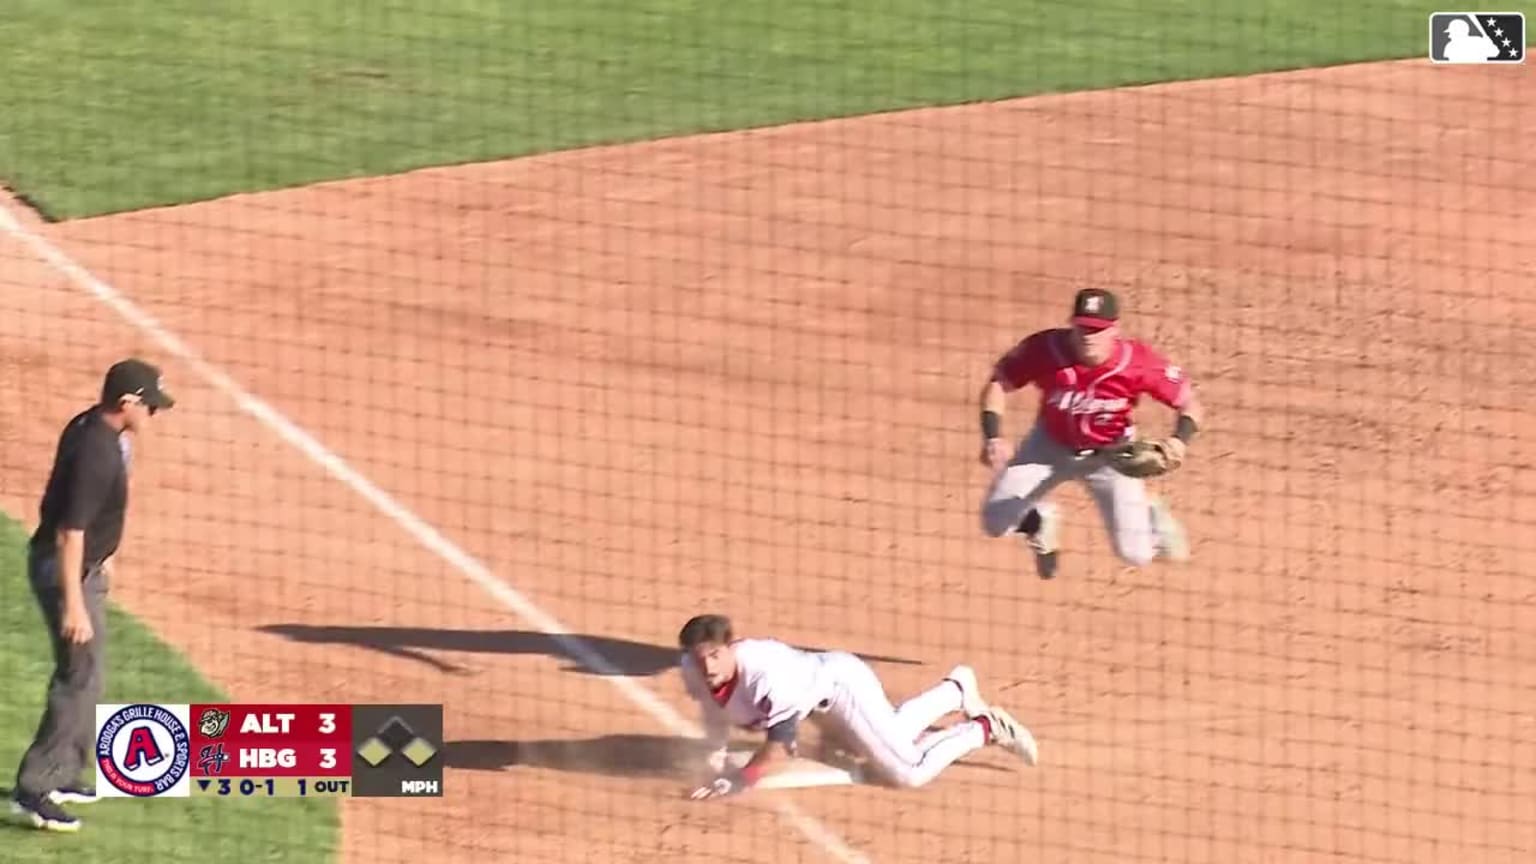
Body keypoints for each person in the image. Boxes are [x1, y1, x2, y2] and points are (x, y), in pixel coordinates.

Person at [9, 358, 175, 832]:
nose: (153, 414)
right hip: (65, 572)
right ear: (126, 403)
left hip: (83, 567)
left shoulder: (92, 425)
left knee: (91, 675)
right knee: (77, 676)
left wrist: (105, 558)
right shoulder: (97, 454)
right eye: (149, 406)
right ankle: (34, 789)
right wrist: (74, 603)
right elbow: (70, 532)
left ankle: (64, 773)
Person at [677, 614, 1037, 800]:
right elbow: (713, 712)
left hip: (843, 690)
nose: (708, 666)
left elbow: (781, 747)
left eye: (715, 654)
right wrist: (713, 760)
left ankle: (985, 728)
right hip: (818, 699)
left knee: (907, 772)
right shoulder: (693, 670)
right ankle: (955, 691)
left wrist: (739, 780)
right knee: (884, 739)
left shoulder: (765, 675)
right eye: (700, 657)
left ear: (729, 647)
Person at [978, 288, 1204, 578]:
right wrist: (992, 437)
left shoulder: (1137, 361)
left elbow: (1189, 402)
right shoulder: (1045, 349)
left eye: (1097, 330)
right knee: (995, 521)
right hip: (1048, 447)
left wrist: (1179, 441)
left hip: (1112, 457)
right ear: (1072, 324)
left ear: (1114, 329)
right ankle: (1039, 520)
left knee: (1135, 554)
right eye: (1083, 327)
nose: (1088, 336)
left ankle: (1150, 511)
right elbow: (999, 383)